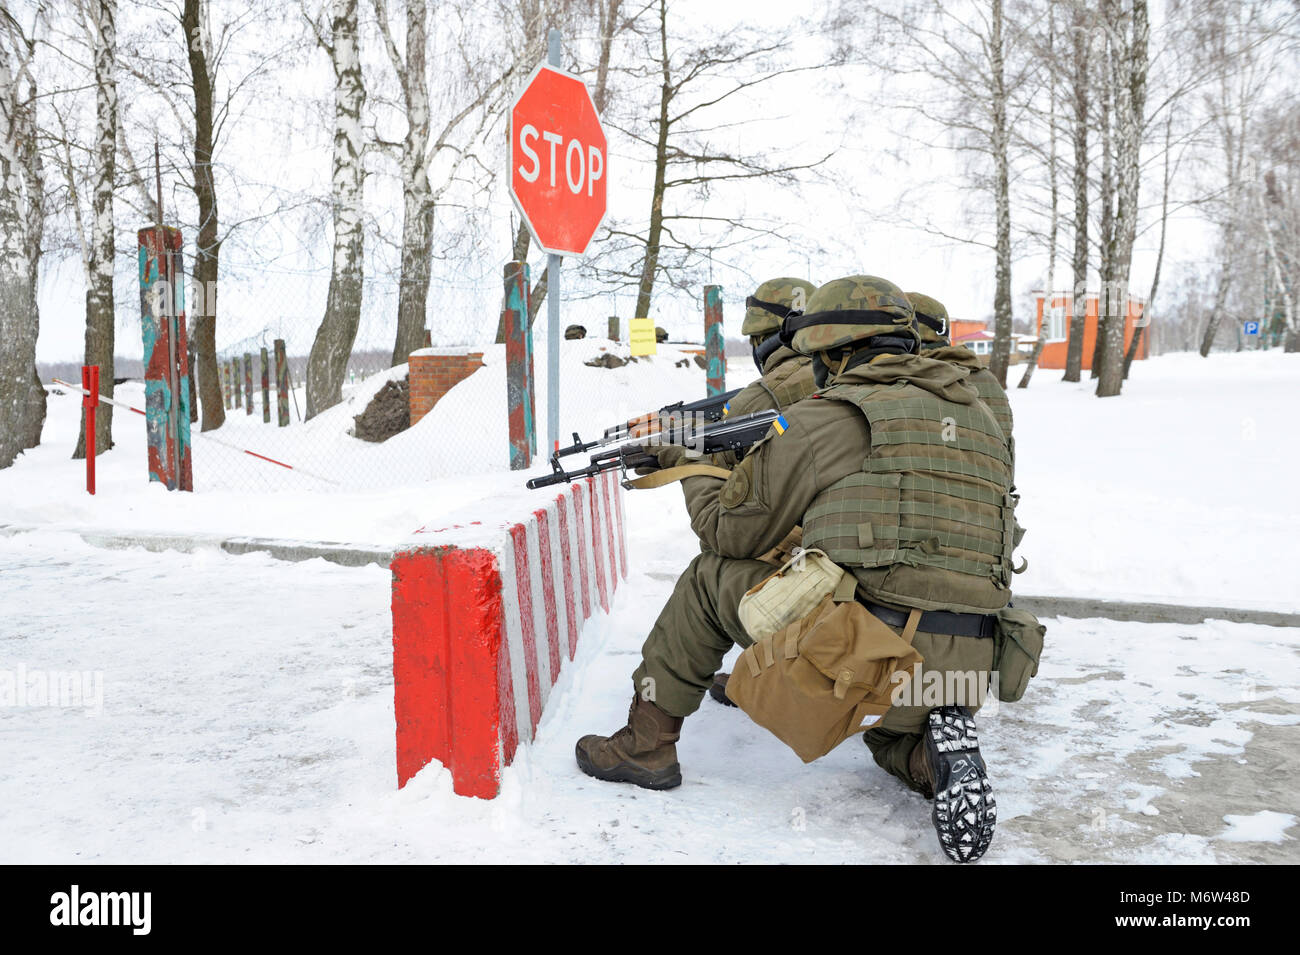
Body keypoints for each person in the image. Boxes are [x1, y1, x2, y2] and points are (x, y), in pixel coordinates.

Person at [575, 275, 1014, 862]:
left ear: (832, 353)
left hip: (867, 659)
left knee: (708, 576)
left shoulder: (829, 417)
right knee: (882, 726)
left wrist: (690, 461)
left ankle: (645, 746)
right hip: (970, 664)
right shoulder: (981, 417)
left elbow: (730, 533)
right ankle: (924, 757)